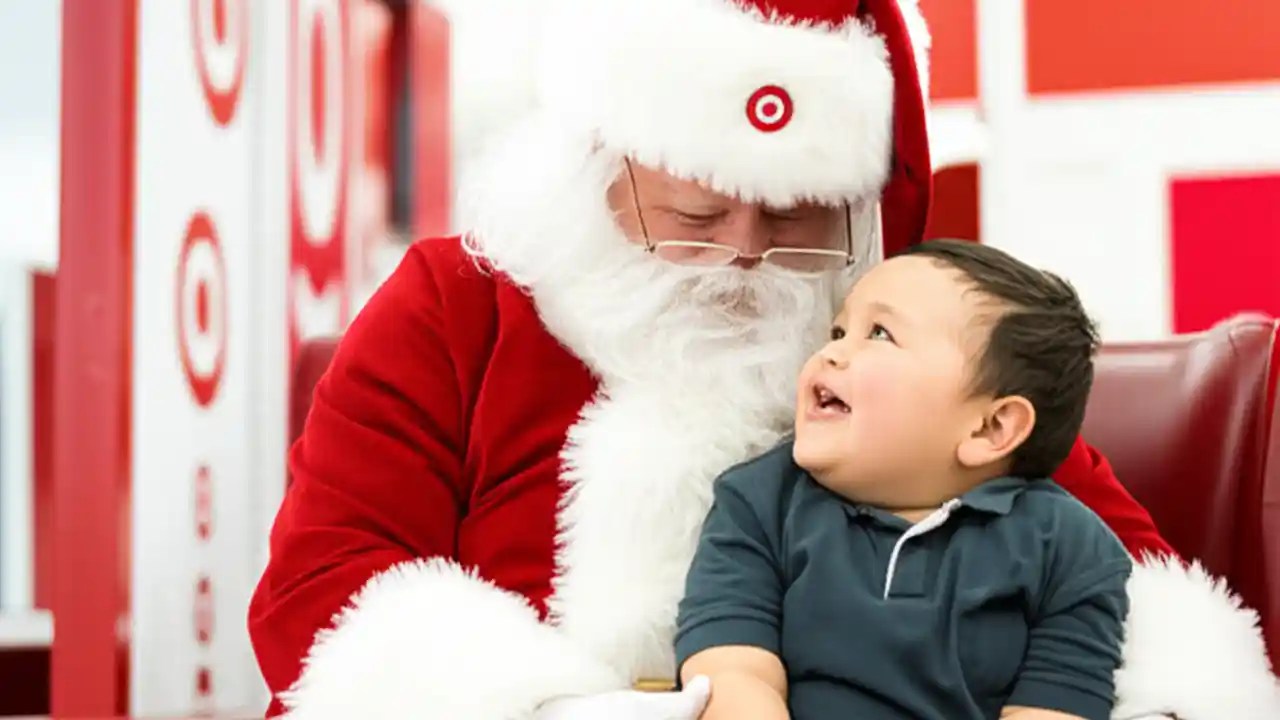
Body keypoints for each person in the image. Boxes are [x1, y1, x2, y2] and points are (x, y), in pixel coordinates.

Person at [247, 1, 1279, 718]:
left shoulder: (892, 334)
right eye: (694, 211)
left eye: (793, 217)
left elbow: (1122, 573)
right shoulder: (456, 302)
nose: (742, 252)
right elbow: (328, 588)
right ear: (599, 166)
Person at [677, 240, 1129, 720]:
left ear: (990, 428)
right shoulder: (757, 504)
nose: (832, 352)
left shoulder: (1072, 551)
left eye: (879, 334)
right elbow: (732, 676)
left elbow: (1052, 711)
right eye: (838, 330)